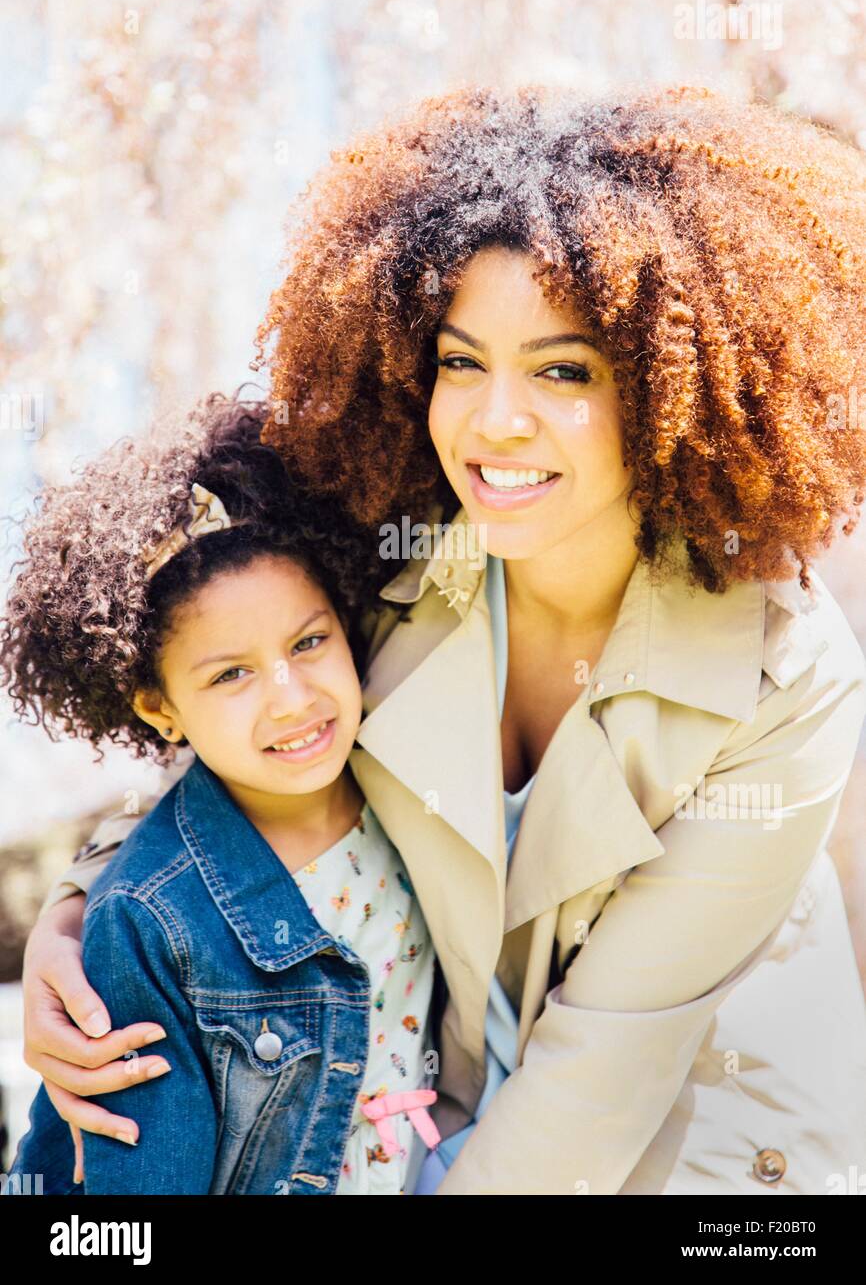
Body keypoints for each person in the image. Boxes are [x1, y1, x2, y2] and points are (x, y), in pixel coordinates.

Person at [16, 83, 866, 1193]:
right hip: (437, 1118)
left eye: (562, 371)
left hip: (705, 1149)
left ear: (670, 391)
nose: (492, 419)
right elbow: (240, 720)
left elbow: (602, 1067)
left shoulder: (780, 672)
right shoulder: (385, 556)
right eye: (462, 362)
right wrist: (80, 917)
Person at [0, 390, 440, 1194]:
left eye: (309, 641)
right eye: (231, 673)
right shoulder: (149, 921)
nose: (290, 697)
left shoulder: (410, 787)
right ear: (161, 709)